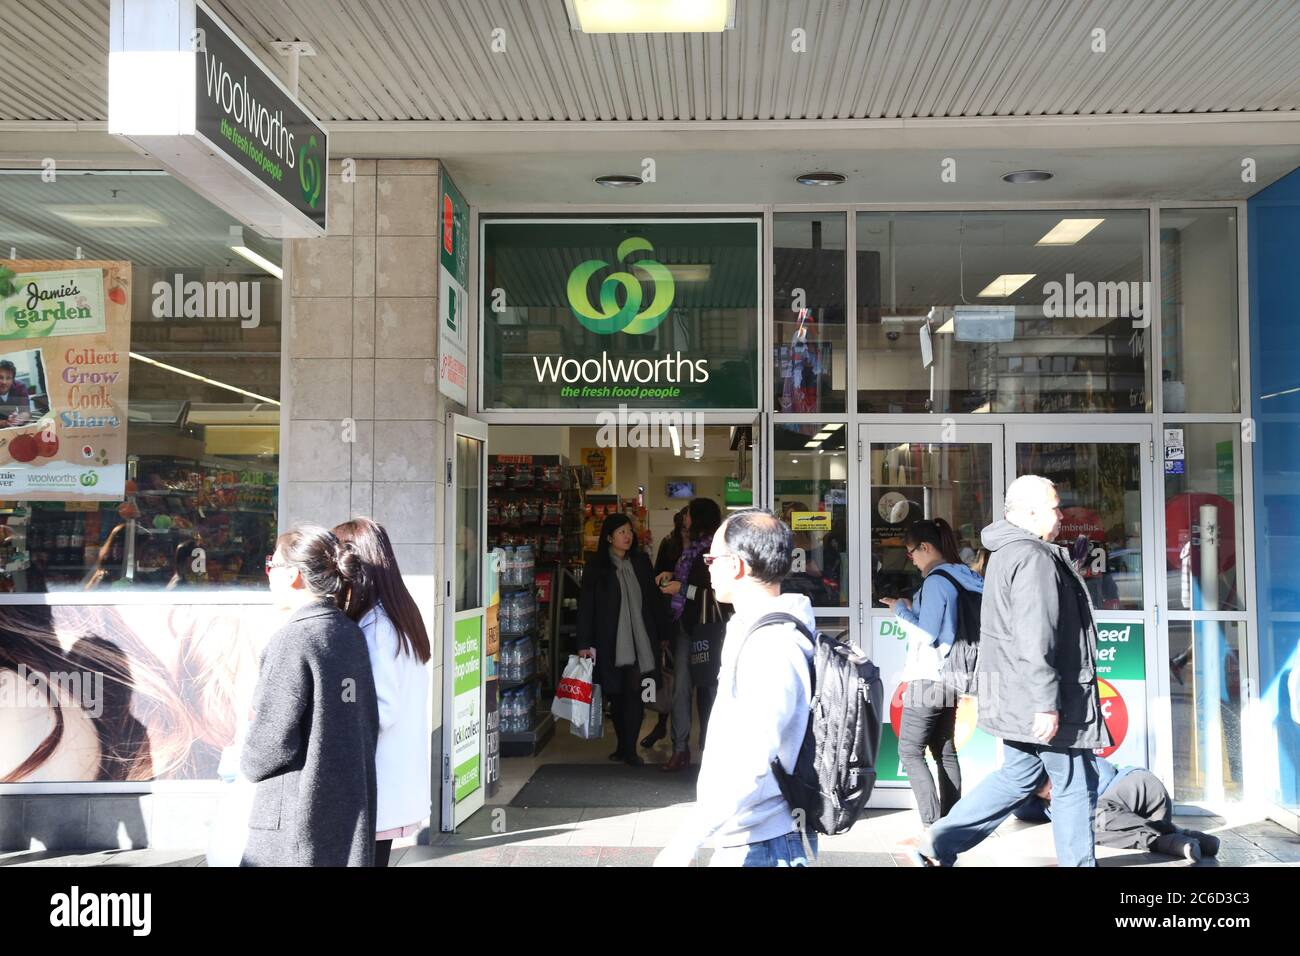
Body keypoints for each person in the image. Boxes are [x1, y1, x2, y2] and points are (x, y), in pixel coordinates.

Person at [912, 475, 1110, 868]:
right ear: (1030, 512)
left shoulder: (1006, 552)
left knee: (1018, 777)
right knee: (1072, 784)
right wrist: (1046, 702)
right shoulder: (1033, 557)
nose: (1061, 515)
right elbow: (1036, 633)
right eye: (1054, 507)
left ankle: (937, 842)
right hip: (1041, 696)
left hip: (1017, 693)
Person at [654, 509, 815, 867]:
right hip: (750, 833)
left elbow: (752, 759)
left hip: (766, 842)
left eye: (712, 558)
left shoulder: (771, 645)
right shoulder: (754, 628)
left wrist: (687, 841)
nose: (707, 566)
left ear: (737, 565)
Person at [241, 525, 379, 867]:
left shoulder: (294, 640)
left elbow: (268, 746)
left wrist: (245, 760)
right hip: (344, 813)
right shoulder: (349, 633)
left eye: (271, 564)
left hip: (293, 818)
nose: (268, 574)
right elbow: (366, 723)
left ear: (294, 576)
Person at [334, 517, 431, 868]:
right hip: (390, 781)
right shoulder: (399, 615)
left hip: (377, 781)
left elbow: (381, 709)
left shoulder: (376, 627)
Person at [880, 517, 983, 831]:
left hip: (928, 676)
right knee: (944, 749)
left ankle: (932, 825)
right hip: (952, 675)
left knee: (910, 750)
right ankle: (953, 821)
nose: (911, 559)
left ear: (925, 547)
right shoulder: (964, 575)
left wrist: (900, 609)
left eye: (911, 552)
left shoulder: (937, 581)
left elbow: (927, 634)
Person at [577, 513, 671, 766]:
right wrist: (584, 644)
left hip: (641, 640)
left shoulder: (641, 562)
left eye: (629, 531)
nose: (627, 536)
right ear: (608, 537)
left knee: (635, 692)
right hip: (609, 641)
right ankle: (621, 746)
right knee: (616, 694)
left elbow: (653, 601)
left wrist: (663, 634)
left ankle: (629, 749)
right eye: (621, 532)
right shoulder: (596, 567)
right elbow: (586, 607)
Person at [1013, 756, 1220, 862]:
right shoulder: (1046, 806)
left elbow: (1104, 774)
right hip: (1147, 820)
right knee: (1085, 831)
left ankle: (1173, 835)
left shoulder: (1073, 768)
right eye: (1042, 791)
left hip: (1140, 787)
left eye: (1048, 783)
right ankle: (1182, 840)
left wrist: (1065, 795)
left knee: (1088, 818)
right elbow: (1020, 809)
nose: (1050, 791)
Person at [656, 496, 724, 772]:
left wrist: (679, 589)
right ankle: (680, 748)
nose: (684, 518)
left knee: (708, 688)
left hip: (707, 629)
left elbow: (717, 595)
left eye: (689, 514)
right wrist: (672, 577)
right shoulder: (690, 550)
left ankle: (711, 748)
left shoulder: (715, 551)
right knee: (681, 689)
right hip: (686, 628)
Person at [0, 359, 32, 427]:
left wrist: (18, 419)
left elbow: (26, 412)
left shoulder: (20, 386)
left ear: (13, 380)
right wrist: (5, 423)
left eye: (8, 378)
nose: (4, 382)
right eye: (0, 377)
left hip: (13, 423)